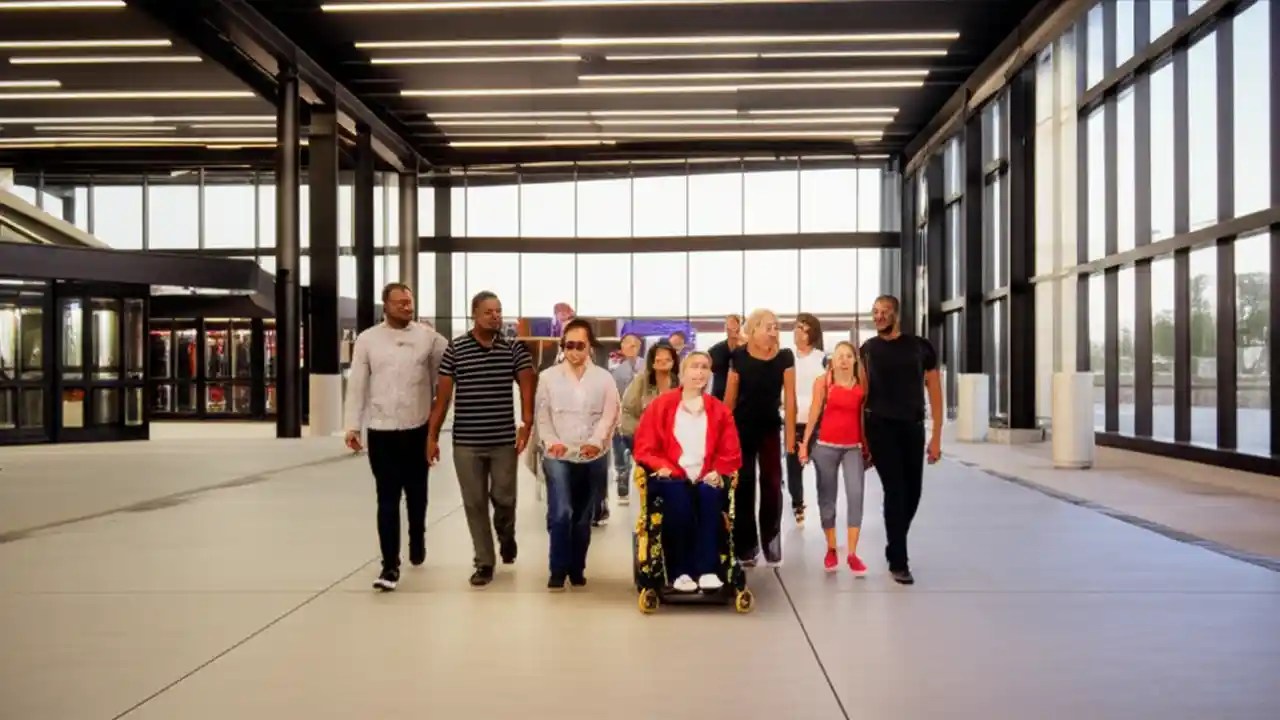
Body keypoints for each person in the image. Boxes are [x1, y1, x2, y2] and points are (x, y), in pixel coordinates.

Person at [344, 282, 449, 592]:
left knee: (417, 496)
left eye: (410, 302)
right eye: (400, 303)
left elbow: (447, 370)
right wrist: (352, 426)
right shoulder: (367, 340)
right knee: (387, 499)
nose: (407, 307)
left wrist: (435, 423)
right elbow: (358, 385)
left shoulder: (428, 338)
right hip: (381, 432)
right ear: (385, 305)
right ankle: (390, 565)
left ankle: (417, 538)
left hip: (417, 429)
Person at [428, 291, 536, 588]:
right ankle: (484, 562)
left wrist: (527, 423)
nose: (496, 316)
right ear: (474, 314)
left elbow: (527, 383)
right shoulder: (456, 349)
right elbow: (443, 398)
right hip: (467, 442)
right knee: (474, 503)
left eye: (499, 311)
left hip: (503, 441)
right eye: (489, 311)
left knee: (505, 499)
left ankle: (506, 534)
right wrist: (432, 436)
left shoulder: (512, 349)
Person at [632, 352, 741, 593]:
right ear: (682, 373)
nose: (699, 372)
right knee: (678, 501)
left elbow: (730, 451)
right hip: (671, 476)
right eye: (694, 367)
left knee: (710, 496)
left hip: (705, 475)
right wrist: (663, 467)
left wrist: (717, 471)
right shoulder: (661, 406)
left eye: (704, 368)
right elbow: (645, 447)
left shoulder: (720, 411)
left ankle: (708, 569)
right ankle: (680, 571)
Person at [859, 295, 943, 585]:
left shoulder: (920, 347)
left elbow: (934, 390)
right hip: (879, 427)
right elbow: (862, 395)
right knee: (894, 490)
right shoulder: (867, 350)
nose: (879, 316)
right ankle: (899, 561)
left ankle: (894, 544)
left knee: (913, 493)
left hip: (912, 426)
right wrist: (862, 439)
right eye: (875, 312)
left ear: (896, 314)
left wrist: (937, 436)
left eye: (884, 312)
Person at [535, 319, 619, 590]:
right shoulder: (548, 377)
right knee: (561, 512)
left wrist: (597, 441)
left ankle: (577, 567)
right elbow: (542, 415)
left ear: (590, 347)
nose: (574, 351)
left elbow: (610, 413)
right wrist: (551, 441)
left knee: (583, 516)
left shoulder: (604, 378)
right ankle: (557, 569)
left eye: (579, 345)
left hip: (593, 455)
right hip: (558, 453)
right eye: (568, 345)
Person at [724, 309, 796, 567]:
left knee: (772, 483)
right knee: (743, 484)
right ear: (752, 330)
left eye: (776, 327)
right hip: (741, 429)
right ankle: (746, 544)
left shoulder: (785, 358)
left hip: (769, 428)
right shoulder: (739, 358)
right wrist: (721, 433)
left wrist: (790, 440)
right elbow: (729, 401)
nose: (773, 331)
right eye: (768, 327)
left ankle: (771, 538)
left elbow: (790, 399)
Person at [798, 341, 868, 576]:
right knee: (827, 499)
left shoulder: (861, 384)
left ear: (855, 361)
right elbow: (814, 412)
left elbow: (866, 416)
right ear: (833, 360)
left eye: (849, 356)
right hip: (825, 448)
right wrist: (805, 444)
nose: (844, 360)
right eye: (840, 356)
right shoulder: (823, 383)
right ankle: (831, 548)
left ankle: (852, 553)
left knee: (856, 495)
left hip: (853, 448)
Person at [613, 342, 679, 525]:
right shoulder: (641, 381)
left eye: (668, 359)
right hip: (646, 445)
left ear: (674, 361)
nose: (663, 362)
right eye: (659, 359)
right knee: (650, 491)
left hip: (677, 447)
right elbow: (626, 413)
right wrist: (642, 434)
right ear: (652, 362)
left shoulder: (681, 382)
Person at [786, 313, 826, 527]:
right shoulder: (786, 356)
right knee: (793, 467)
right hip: (793, 420)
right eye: (796, 327)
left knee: (822, 466)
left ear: (812, 333)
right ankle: (797, 504)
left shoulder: (822, 358)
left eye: (803, 328)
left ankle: (826, 506)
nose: (798, 331)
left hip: (817, 421)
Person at [608, 333, 644, 505]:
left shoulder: (647, 365)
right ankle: (622, 482)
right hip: (621, 415)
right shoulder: (613, 367)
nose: (631, 347)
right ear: (621, 347)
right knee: (620, 451)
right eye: (627, 344)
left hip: (643, 417)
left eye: (634, 344)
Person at [707, 314, 743, 401]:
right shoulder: (715, 350)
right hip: (719, 394)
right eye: (729, 325)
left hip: (742, 395)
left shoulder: (747, 349)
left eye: (734, 324)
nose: (732, 328)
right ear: (725, 328)